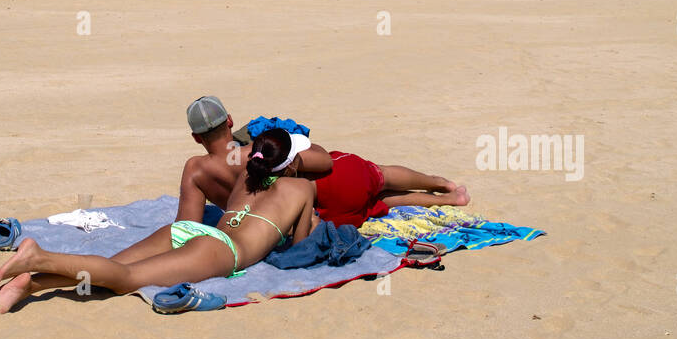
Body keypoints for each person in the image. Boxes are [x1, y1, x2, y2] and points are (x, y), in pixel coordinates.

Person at [0, 129, 317, 313]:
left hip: (190, 230)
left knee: (105, 267)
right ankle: (40, 256)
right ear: (293, 162)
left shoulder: (247, 171)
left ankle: (31, 283)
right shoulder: (302, 188)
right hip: (221, 249)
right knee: (126, 279)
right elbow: (299, 250)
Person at [167, 97, 469, 230]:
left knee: (383, 203)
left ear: (196, 138)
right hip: (330, 186)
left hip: (318, 214)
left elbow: (185, 229)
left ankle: (448, 199)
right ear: (230, 120)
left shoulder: (195, 170)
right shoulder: (256, 150)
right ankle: (441, 184)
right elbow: (323, 163)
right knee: (381, 176)